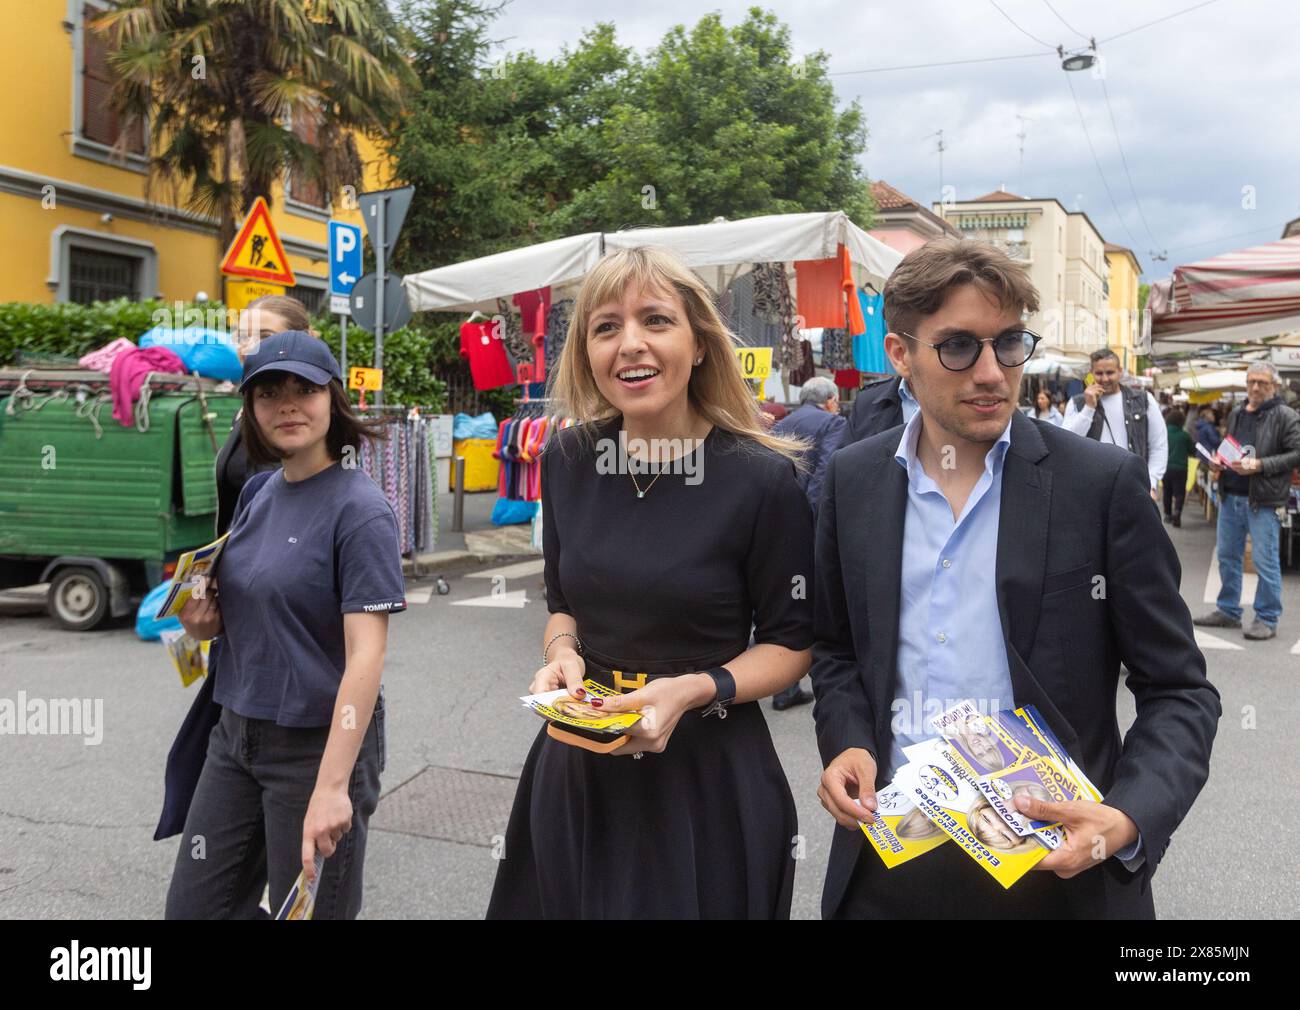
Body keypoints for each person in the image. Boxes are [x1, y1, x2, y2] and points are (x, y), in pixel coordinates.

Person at [810, 237, 1219, 920]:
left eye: (1008, 344)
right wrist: (848, 739)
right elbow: (836, 650)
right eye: (959, 346)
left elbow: (1179, 689)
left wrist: (1124, 816)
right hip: (891, 861)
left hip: (1056, 871)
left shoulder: (1099, 485)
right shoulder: (854, 481)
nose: (992, 372)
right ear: (901, 354)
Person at [486, 246, 815, 919]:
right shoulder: (568, 457)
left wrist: (697, 688)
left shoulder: (760, 477)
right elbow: (563, 604)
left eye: (656, 320)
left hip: (707, 778)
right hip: (580, 769)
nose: (630, 344)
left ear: (698, 343)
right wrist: (562, 656)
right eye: (606, 327)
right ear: (586, 352)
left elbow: (793, 642)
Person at [165, 331, 406, 919]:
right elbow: (237, 620)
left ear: (333, 400)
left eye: (305, 388)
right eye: (269, 392)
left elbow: (365, 658)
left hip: (317, 747)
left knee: (308, 915)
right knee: (195, 910)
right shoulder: (256, 493)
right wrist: (201, 624)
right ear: (250, 409)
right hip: (235, 735)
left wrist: (331, 787)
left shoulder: (361, 509)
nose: (288, 405)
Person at [154, 294, 315, 847]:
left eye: (264, 333)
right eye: (243, 333)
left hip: (275, 617)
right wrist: (205, 584)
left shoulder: (296, 426)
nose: (249, 343)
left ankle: (282, 845)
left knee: (257, 734)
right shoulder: (248, 410)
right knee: (221, 734)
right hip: (234, 605)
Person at [1193, 362, 1300, 641]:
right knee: (1227, 557)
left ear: (1274, 386)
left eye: (1262, 383)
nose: (1255, 387)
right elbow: (1231, 443)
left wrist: (1260, 465)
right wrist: (1220, 459)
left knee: (1265, 561)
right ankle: (1228, 610)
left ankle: (1266, 617)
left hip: (1262, 499)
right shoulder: (1239, 412)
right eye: (1251, 381)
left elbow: (1296, 454)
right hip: (1231, 495)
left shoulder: (1286, 415)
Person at [767, 377, 844, 712]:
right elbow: (826, 476)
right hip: (809, 523)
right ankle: (813, 681)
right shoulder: (832, 422)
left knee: (784, 603)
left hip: (775, 523)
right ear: (829, 400)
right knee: (815, 602)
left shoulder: (783, 423)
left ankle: (784, 686)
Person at [1063, 348, 1168, 498]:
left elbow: (1158, 445)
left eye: (1110, 372)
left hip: (1134, 485)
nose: (1105, 378)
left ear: (1120, 371)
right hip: (1092, 487)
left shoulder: (1143, 400)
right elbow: (1067, 443)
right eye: (1099, 373)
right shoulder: (1077, 402)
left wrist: (1151, 482)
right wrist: (1088, 408)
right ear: (1091, 373)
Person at [1163, 408, 1195, 527]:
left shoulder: (1164, 433)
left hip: (1166, 467)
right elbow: (1192, 450)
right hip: (1181, 468)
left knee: (1167, 491)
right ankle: (1177, 512)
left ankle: (1167, 514)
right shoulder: (1184, 435)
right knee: (1179, 493)